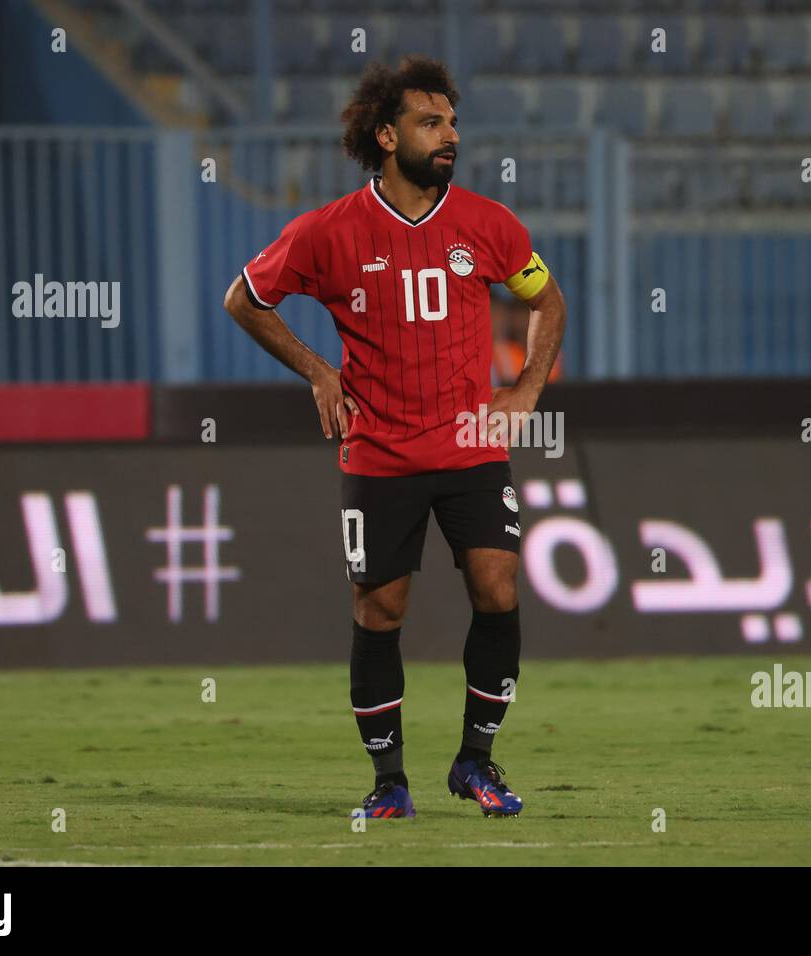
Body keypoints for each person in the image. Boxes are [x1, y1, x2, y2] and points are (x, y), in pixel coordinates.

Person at [223, 56, 566, 820]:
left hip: (471, 444)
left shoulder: (489, 224)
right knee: (380, 612)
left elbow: (549, 301)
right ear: (386, 135)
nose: (450, 136)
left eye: (453, 123)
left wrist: (526, 390)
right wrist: (318, 371)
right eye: (430, 122)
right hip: (380, 453)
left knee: (499, 587)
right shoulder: (327, 232)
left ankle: (476, 761)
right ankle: (389, 783)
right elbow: (244, 300)